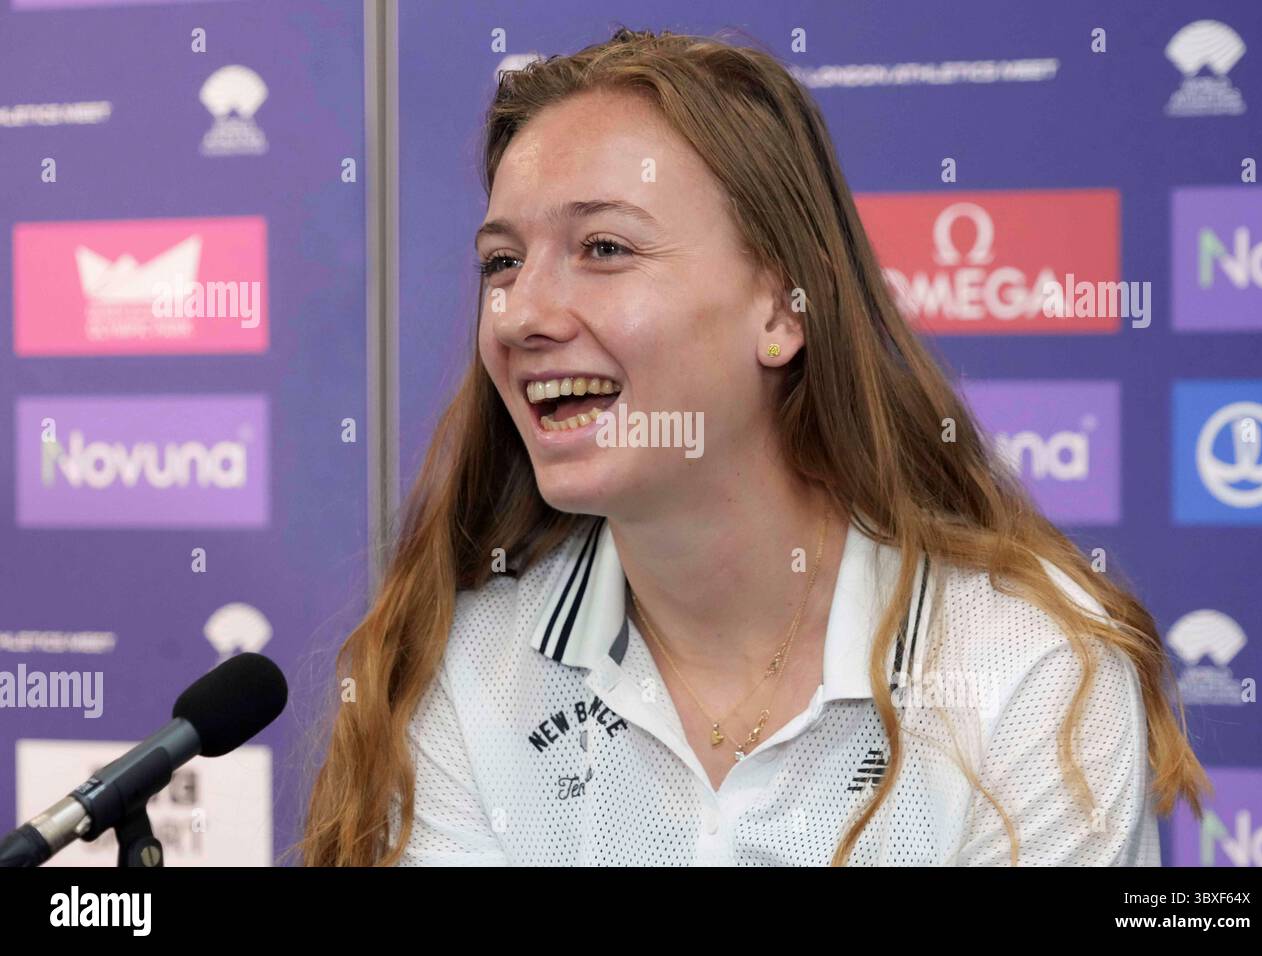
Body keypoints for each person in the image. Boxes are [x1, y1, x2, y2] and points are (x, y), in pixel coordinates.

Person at [302, 27, 1207, 866]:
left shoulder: (1024, 667)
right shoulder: (467, 675)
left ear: (781, 309)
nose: (522, 314)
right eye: (502, 261)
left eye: (605, 247)